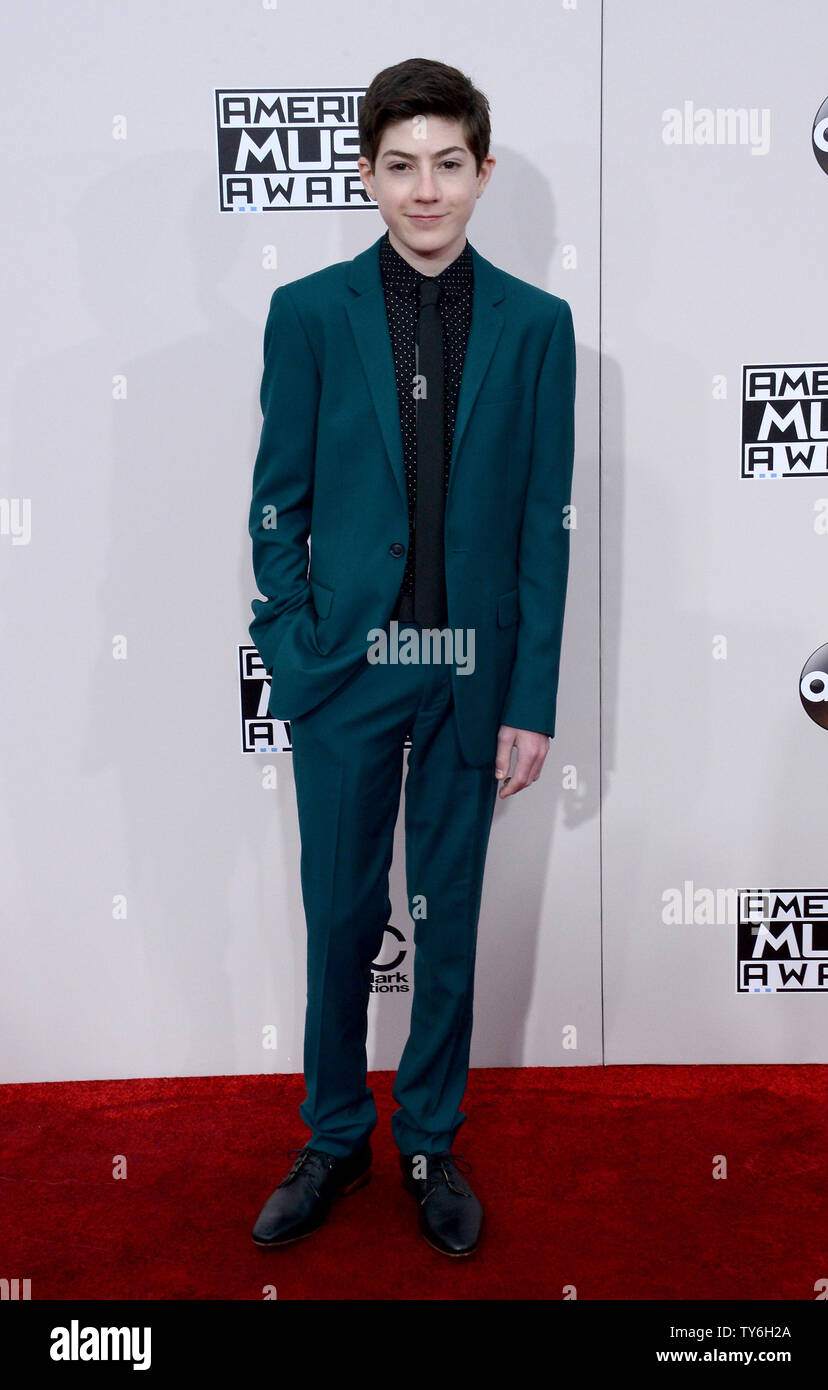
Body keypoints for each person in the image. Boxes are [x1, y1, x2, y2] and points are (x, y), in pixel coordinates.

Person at [248, 56, 576, 1257]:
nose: (424, 190)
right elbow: (276, 501)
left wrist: (528, 697)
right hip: (346, 674)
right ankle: (333, 1136)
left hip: (468, 673)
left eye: (448, 164)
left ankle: (428, 1137)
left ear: (481, 173)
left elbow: (545, 527)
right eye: (400, 166)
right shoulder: (309, 314)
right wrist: (293, 647)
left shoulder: (539, 329)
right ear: (368, 174)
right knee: (339, 914)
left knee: (446, 921)